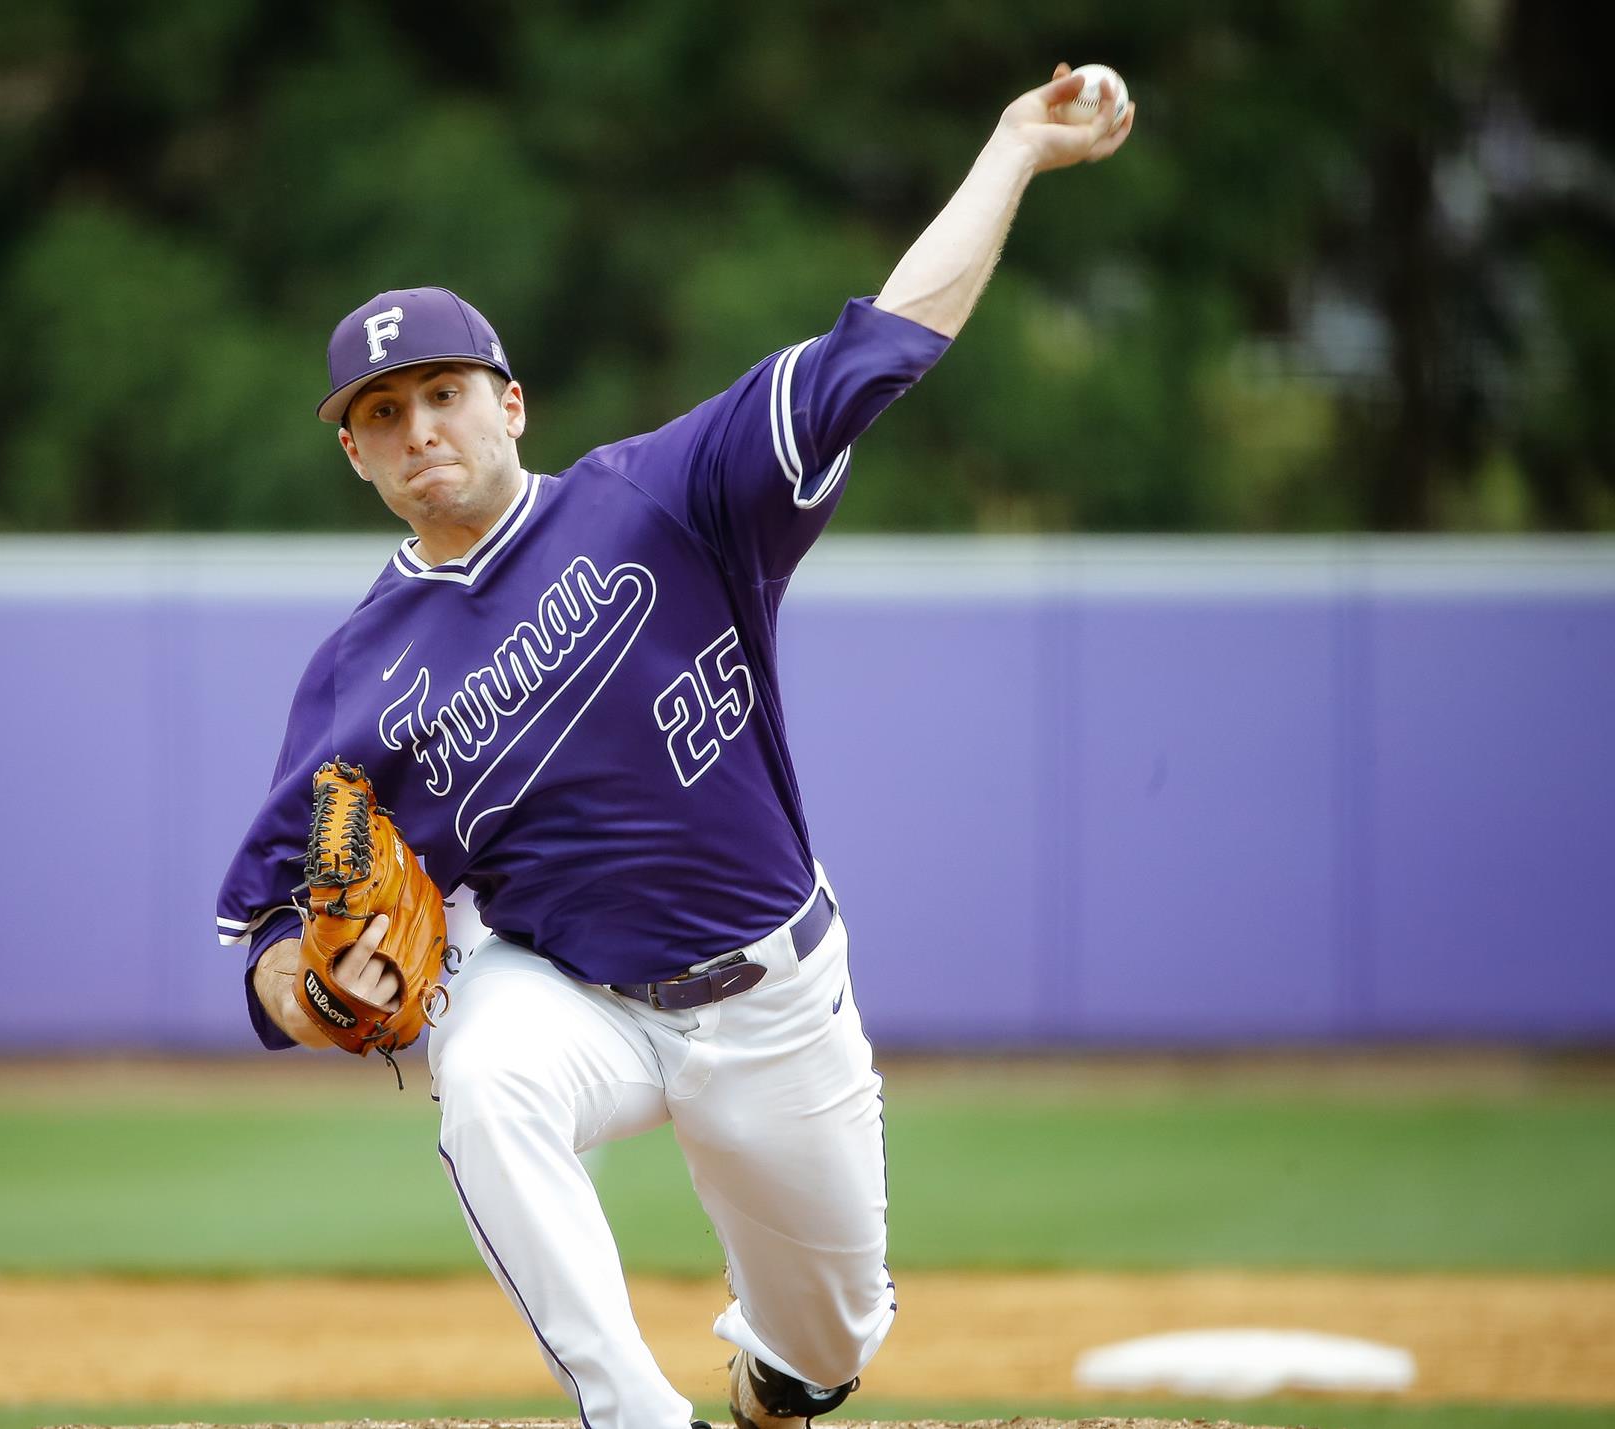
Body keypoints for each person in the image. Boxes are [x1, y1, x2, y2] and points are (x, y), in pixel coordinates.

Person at [216, 65, 1134, 1429]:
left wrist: (1008, 150)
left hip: (773, 1001)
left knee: (826, 1353)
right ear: (355, 455)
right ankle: (633, 1415)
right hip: (577, 1005)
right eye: (381, 415)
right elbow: (268, 935)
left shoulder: (664, 495)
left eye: (442, 394)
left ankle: (774, 1383)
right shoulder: (354, 676)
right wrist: (310, 986)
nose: (419, 430)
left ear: (510, 403)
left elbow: (879, 346)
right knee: (483, 1080)